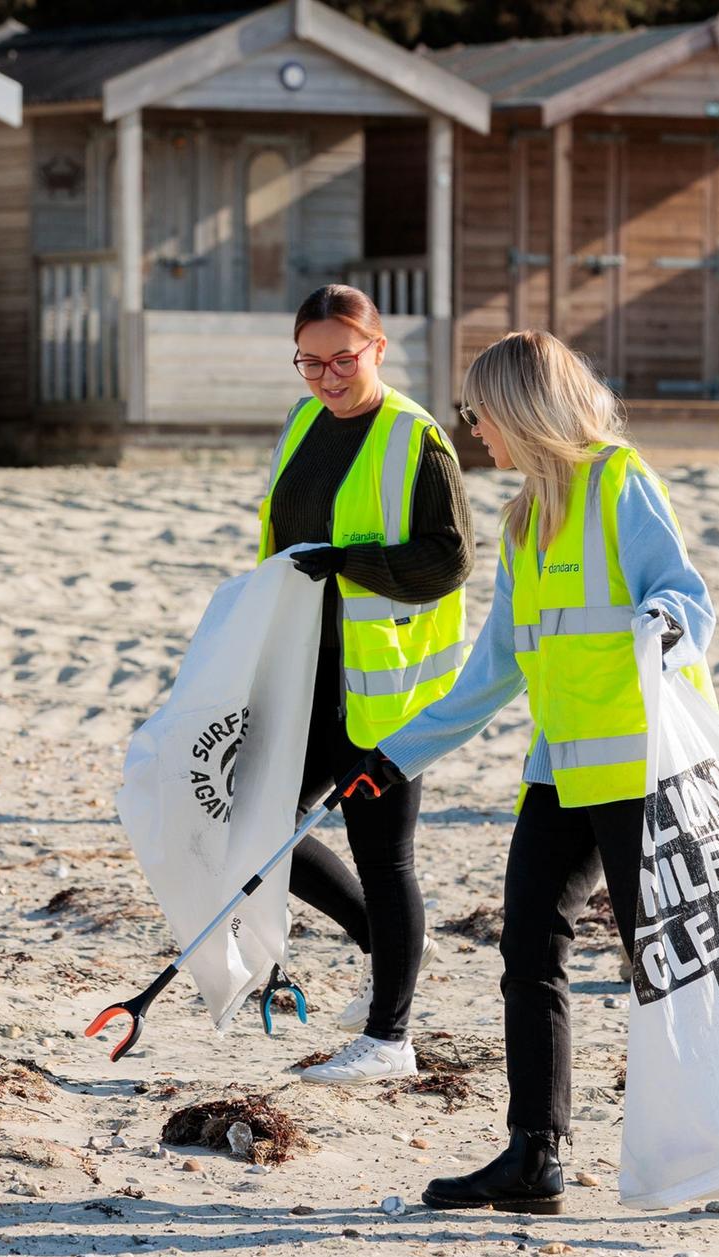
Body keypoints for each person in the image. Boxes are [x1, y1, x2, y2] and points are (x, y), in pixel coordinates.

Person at [341, 331, 719, 1215]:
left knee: (692, 958)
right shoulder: (520, 520)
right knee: (528, 949)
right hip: (559, 773)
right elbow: (492, 672)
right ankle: (534, 1153)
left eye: (481, 414)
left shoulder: (622, 482)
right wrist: (392, 758)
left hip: (642, 775)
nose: (477, 433)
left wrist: (662, 620)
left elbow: (686, 595)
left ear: (520, 409)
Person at [258, 284, 474, 1084]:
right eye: (310, 361)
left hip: (386, 686)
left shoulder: (417, 439)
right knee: (260, 827)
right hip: (304, 668)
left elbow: (449, 560)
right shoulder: (303, 422)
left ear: (378, 348)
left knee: (384, 857)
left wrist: (350, 562)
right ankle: (387, 951)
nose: (326, 376)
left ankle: (390, 1036)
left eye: (343, 358)